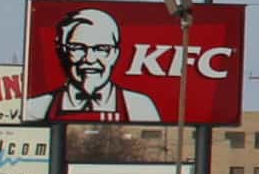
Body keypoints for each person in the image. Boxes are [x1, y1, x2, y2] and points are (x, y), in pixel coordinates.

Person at [31, 7, 162, 123]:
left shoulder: (139, 107)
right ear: (63, 51)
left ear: (115, 54)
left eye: (101, 49)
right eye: (78, 48)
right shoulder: (37, 108)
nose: (90, 59)